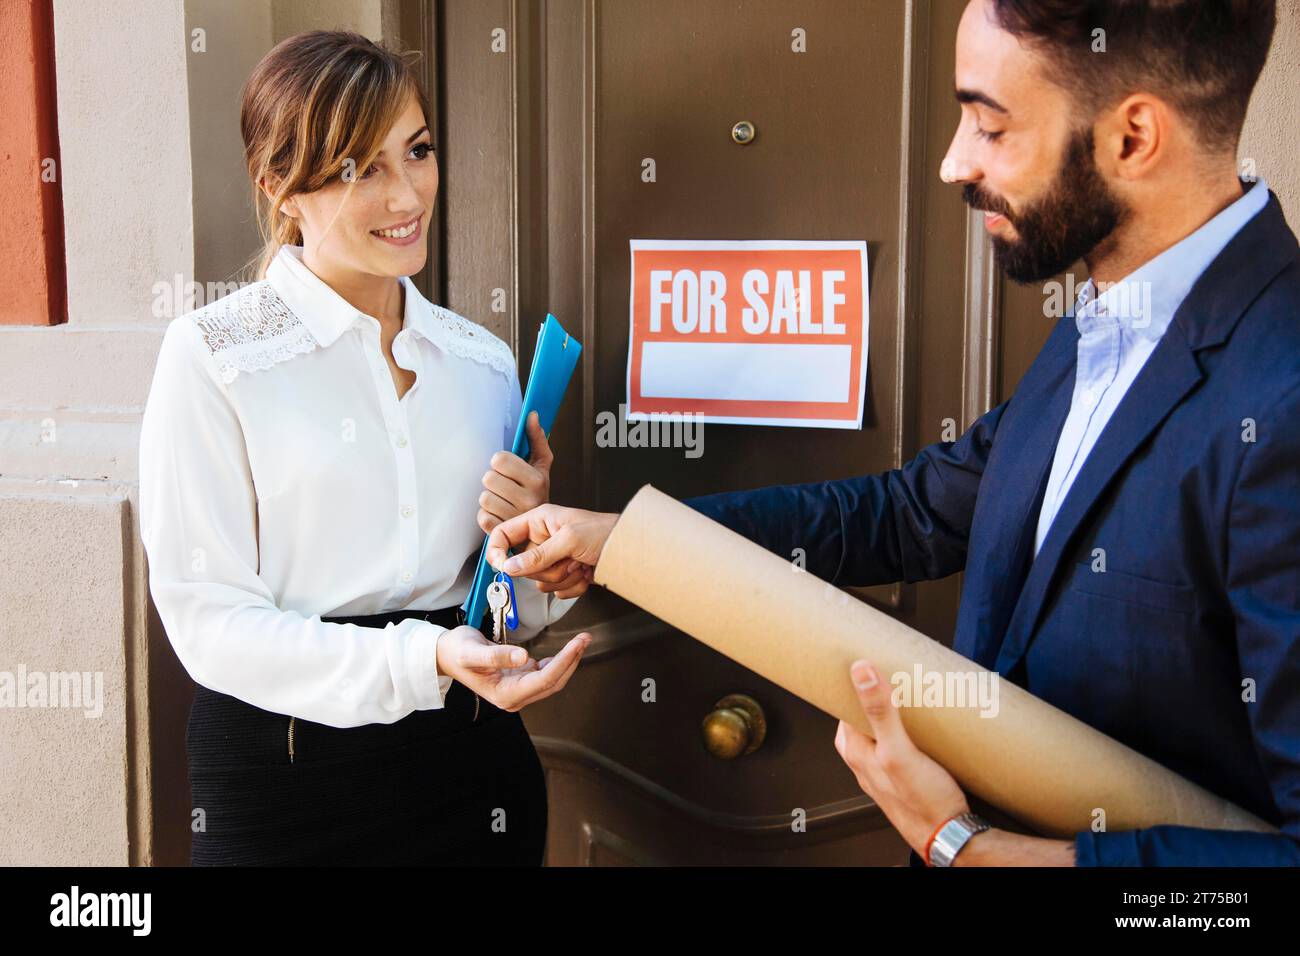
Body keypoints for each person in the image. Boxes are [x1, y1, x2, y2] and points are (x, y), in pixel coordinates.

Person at [486, 0, 1299, 866]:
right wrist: (624, 543)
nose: (953, 161)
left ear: (1133, 137)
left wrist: (968, 848)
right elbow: (913, 512)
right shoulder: (1106, 315)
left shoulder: (1280, 400)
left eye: (990, 125)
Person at [139, 30, 591, 866]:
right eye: (361, 167)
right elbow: (209, 623)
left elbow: (496, 606)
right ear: (280, 188)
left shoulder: (481, 361)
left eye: (415, 151)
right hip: (285, 779)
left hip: (473, 771)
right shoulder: (214, 357)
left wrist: (537, 566)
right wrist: (426, 654)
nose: (407, 193)